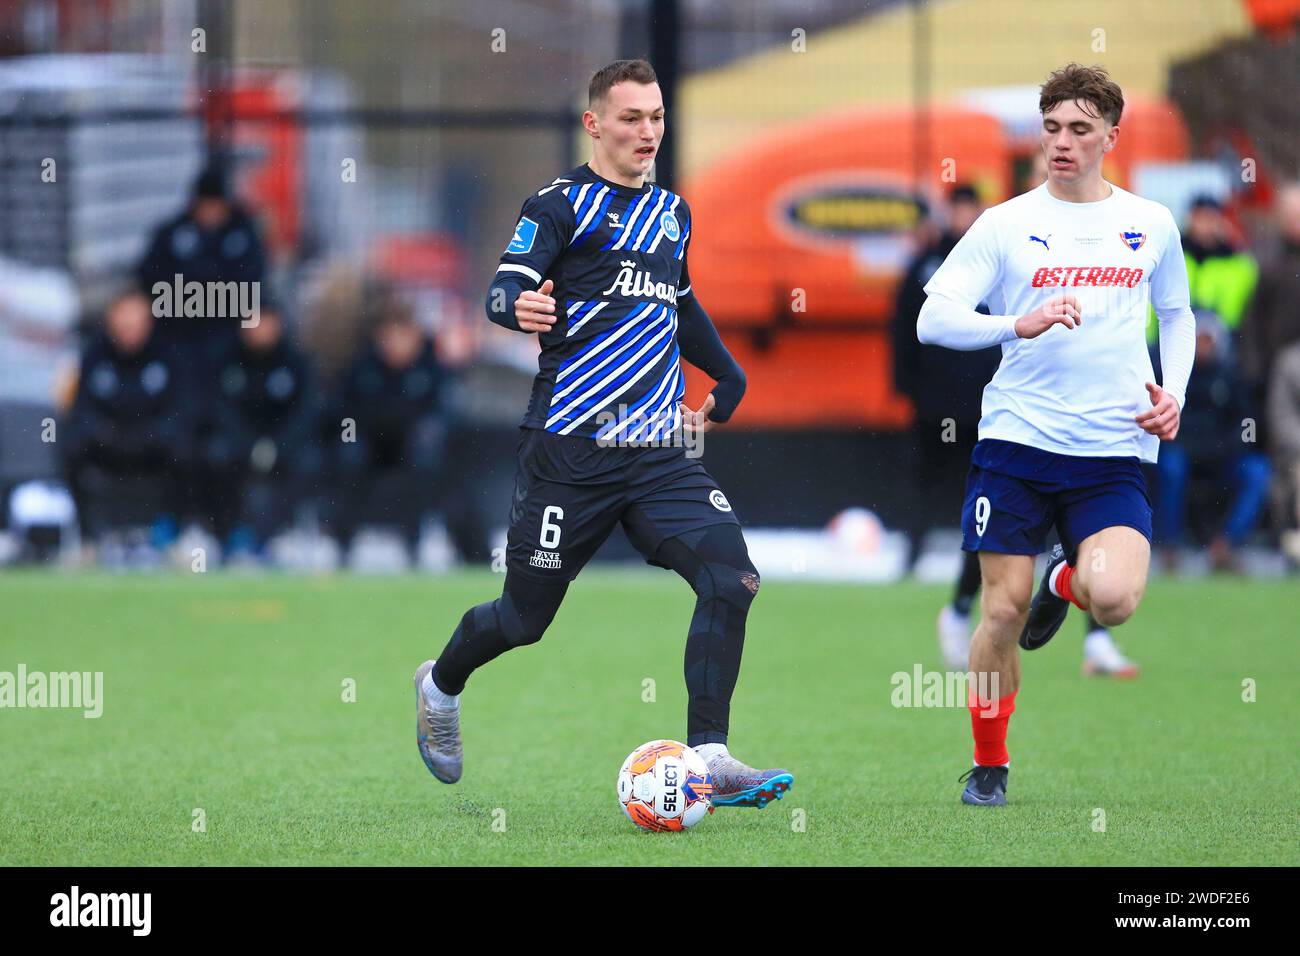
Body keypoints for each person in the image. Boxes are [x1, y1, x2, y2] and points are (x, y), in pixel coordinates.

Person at [412, 59, 792, 808]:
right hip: (571, 452)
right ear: (595, 124)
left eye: (655, 117)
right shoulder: (560, 205)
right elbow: (505, 284)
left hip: (657, 451)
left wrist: (728, 375)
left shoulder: (674, 214)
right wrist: (514, 309)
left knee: (732, 576)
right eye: (630, 118)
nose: (647, 131)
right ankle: (440, 685)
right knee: (523, 620)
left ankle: (709, 754)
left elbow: (678, 304)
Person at [916, 63, 1195, 806]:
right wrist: (1016, 321)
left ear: (1111, 133)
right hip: (1016, 447)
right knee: (1000, 612)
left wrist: (1176, 394)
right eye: (1051, 129)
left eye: (1078, 129)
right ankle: (989, 766)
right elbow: (932, 317)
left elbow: (1178, 315)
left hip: (1111, 451)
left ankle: (1063, 579)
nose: (1062, 143)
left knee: (1114, 600)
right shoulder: (1007, 223)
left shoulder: (1150, 223)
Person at [62, 290, 191, 546]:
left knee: (189, 450)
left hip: (153, 442)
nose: (129, 329)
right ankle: (88, 537)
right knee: (69, 445)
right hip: (108, 441)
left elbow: (182, 409)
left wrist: (152, 433)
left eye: (136, 322)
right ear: (111, 320)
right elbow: (81, 408)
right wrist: (103, 431)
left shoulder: (168, 353)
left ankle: (178, 534)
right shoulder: (95, 354)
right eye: (123, 321)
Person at [331, 295, 454, 562]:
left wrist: (426, 432)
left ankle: (415, 539)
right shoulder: (363, 366)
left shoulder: (431, 367)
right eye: (390, 334)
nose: (397, 343)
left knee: (426, 458)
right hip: (369, 440)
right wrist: (349, 435)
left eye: (404, 334)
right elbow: (343, 411)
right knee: (347, 456)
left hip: (410, 442)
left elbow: (443, 412)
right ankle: (343, 542)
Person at [200, 302, 323, 559]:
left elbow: (306, 412)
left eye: (265, 322)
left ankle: (281, 536)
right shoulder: (225, 359)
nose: (259, 329)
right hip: (240, 442)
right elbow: (219, 409)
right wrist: (250, 445)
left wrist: (276, 445)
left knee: (309, 461)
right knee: (215, 455)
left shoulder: (296, 361)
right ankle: (225, 536)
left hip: (284, 443)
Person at [1153, 311, 1268, 571]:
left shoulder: (1230, 375)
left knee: (1257, 471)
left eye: (1207, 339)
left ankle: (1226, 545)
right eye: (1197, 339)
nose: (1202, 347)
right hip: (1182, 450)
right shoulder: (1175, 376)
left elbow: (1248, 421)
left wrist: (1241, 444)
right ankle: (1169, 545)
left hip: (1223, 457)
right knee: (1170, 467)